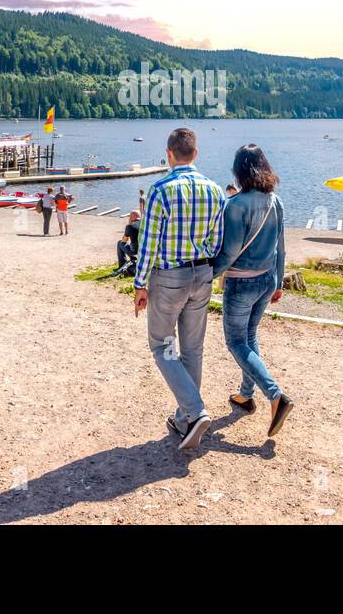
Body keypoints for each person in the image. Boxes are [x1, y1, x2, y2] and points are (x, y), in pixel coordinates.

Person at [133, 127, 226, 451]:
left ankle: (194, 410)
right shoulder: (216, 191)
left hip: (169, 276)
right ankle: (186, 419)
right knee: (193, 349)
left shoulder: (160, 190)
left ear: (169, 154)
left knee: (162, 346)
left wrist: (139, 284)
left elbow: (148, 244)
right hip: (202, 275)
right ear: (195, 154)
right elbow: (217, 241)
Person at [212, 144, 294, 438]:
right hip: (267, 279)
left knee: (235, 342)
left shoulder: (235, 205)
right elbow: (281, 248)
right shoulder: (276, 201)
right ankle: (246, 395)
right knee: (249, 337)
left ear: (239, 171)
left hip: (242, 283)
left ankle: (276, 396)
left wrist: (207, 275)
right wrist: (280, 282)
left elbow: (230, 252)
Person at [113, 210, 140, 275]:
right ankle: (133, 260)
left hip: (135, 252)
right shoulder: (144, 224)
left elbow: (124, 241)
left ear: (131, 218)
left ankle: (122, 264)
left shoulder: (130, 226)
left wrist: (129, 224)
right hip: (143, 251)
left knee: (120, 243)